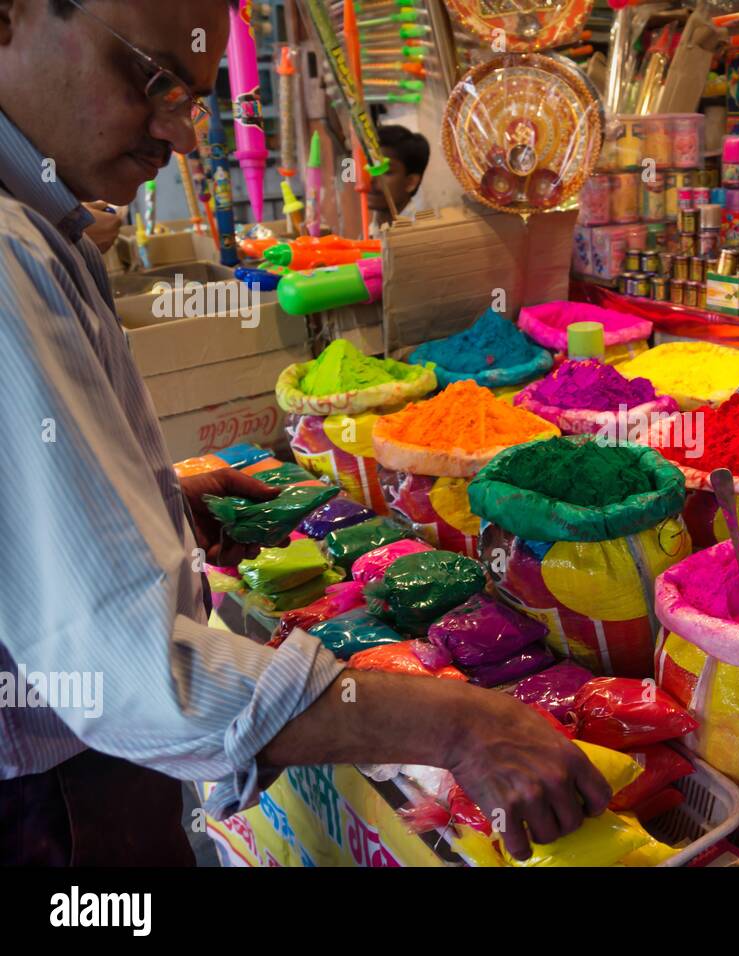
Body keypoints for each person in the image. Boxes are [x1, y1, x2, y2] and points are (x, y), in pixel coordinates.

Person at [0, 0, 607, 865]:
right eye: (155, 78)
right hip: (49, 808)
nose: (179, 136)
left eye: (197, 100)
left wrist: (146, 506)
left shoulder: (40, 223)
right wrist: (467, 727)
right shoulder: (9, 252)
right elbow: (131, 674)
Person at [368, 124, 430, 229]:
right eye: (369, 168)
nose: (371, 178)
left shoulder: (420, 233)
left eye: (385, 171)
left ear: (410, 182)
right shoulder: (372, 230)